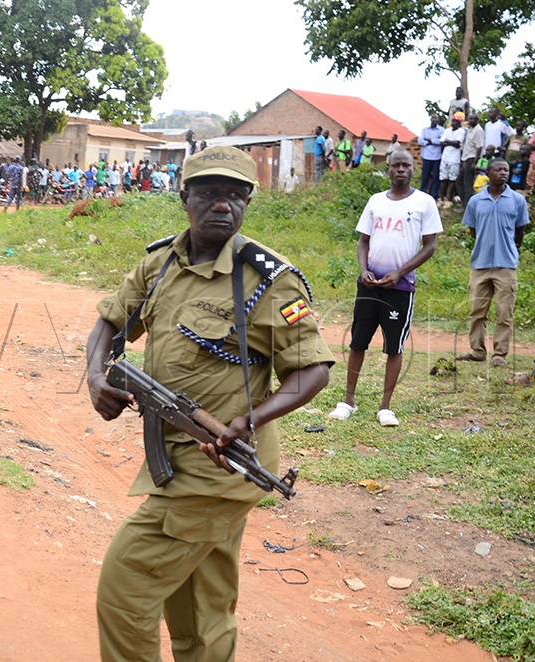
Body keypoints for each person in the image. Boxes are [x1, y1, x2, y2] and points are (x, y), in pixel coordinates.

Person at [87, 146, 332, 661]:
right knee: (201, 606)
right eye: (209, 193)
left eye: (235, 195)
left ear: (247, 202)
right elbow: (113, 319)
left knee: (125, 591)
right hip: (173, 461)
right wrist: (94, 373)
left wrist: (251, 419)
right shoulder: (159, 264)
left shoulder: (269, 280)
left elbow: (313, 369)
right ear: (185, 198)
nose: (223, 205)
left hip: (219, 466)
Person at [328, 149, 441, 427]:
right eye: (395, 165)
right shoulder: (375, 201)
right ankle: (348, 400)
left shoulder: (425, 203)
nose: (401, 169)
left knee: (394, 347)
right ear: (387, 169)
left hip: (400, 288)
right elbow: (363, 241)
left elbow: (430, 246)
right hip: (369, 286)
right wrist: (363, 269)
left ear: (413, 169)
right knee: (357, 342)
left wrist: (400, 272)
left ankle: (385, 407)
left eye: (406, 165)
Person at [456, 158, 529, 368]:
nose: (503, 173)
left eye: (506, 169)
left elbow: (520, 231)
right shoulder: (476, 202)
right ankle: (477, 351)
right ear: (488, 173)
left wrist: (513, 249)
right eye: (498, 169)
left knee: (504, 312)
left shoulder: (517, 200)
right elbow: (472, 230)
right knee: (477, 311)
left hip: (506, 265)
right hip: (480, 264)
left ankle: (500, 354)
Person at [438, 112, 465, 205]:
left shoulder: (461, 131)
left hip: (454, 159)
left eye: (456, 121)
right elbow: (441, 142)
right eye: (453, 121)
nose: (453, 123)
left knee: (452, 179)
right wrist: (451, 142)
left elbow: (458, 143)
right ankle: (441, 198)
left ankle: (448, 199)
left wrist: (448, 142)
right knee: (443, 178)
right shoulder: (447, 130)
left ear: (459, 123)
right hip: (445, 157)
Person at [459, 112, 485, 207]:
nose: (470, 121)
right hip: (466, 158)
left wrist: (475, 163)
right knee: (459, 181)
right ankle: (464, 202)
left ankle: (468, 206)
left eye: (472, 119)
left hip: (472, 158)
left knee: (468, 183)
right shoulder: (470, 129)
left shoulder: (478, 130)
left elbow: (479, 147)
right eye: (469, 119)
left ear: (477, 120)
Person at [418, 114, 444, 198]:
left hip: (437, 157)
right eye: (432, 118)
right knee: (425, 176)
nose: (434, 119)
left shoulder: (442, 130)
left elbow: (442, 141)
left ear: (438, 120)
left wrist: (431, 140)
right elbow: (420, 141)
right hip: (426, 156)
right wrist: (432, 142)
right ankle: (422, 193)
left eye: (435, 118)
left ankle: (434, 195)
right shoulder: (425, 129)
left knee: (436, 177)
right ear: (430, 119)